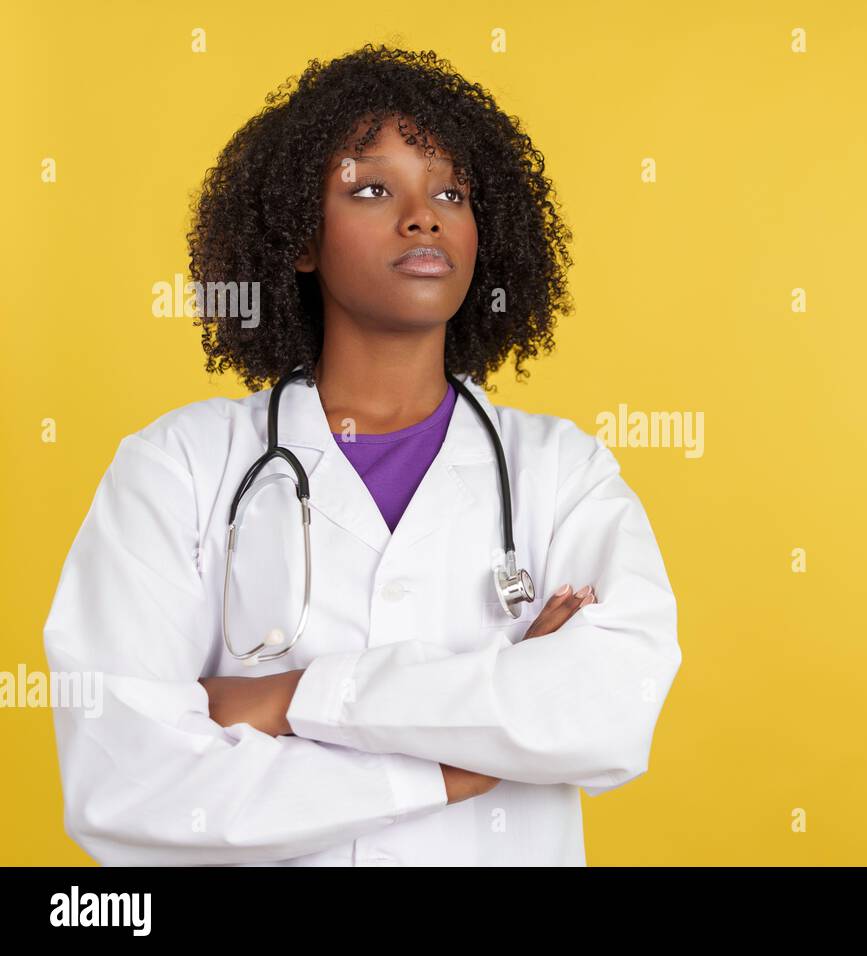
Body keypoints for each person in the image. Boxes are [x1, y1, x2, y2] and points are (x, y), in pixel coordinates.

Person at [42, 44, 681, 866]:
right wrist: (456, 762)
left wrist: (286, 699)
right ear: (299, 239)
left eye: (450, 191)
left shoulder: (563, 474)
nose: (424, 217)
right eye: (372, 189)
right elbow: (125, 783)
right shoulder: (178, 468)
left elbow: (604, 713)